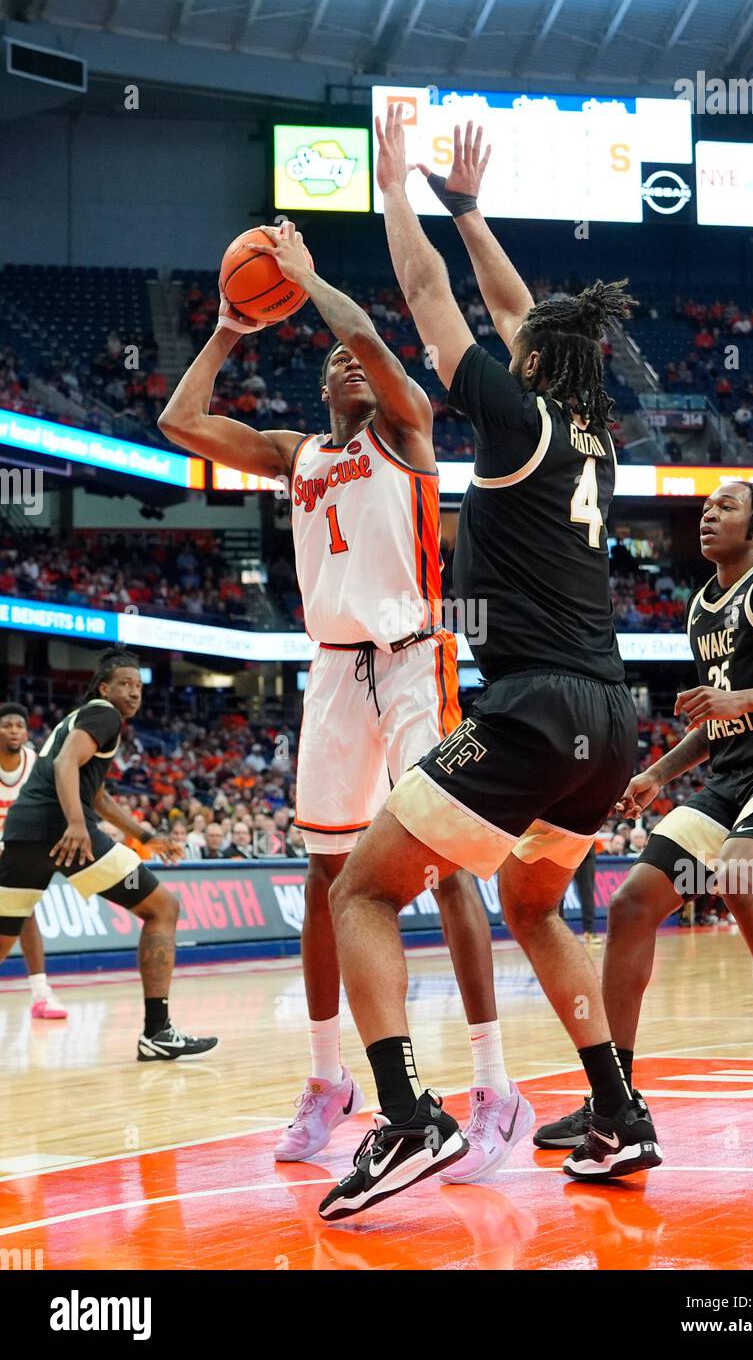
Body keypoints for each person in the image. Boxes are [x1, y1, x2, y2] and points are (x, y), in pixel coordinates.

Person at [317, 108, 648, 1223]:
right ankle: (617, 1109)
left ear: (532, 362)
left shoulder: (512, 419)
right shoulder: (586, 428)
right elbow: (517, 310)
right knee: (533, 898)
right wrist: (470, 209)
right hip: (610, 719)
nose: (506, 338)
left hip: (534, 703)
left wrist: (397, 197)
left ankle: (408, 1115)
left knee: (362, 885)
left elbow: (431, 306)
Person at [159, 221, 516, 1178]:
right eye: (335, 368)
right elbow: (180, 424)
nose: (351, 368)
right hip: (330, 670)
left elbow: (363, 338)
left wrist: (311, 283)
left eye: (357, 361)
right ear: (318, 391)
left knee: (446, 868)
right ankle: (329, 1081)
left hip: (411, 662)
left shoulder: (408, 431)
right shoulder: (296, 454)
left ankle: (493, 1086)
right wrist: (231, 331)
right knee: (326, 883)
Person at [546, 482, 753, 1170]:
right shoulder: (699, 607)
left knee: (742, 872)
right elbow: (719, 720)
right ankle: (614, 1094)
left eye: (725, 505)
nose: (709, 514)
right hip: (729, 779)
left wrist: (742, 696)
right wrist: (659, 774)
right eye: (705, 508)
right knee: (632, 905)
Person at [0, 650, 218, 1061]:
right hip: (66, 835)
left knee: (2, 936)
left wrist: (145, 835)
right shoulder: (104, 715)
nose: (133, 692)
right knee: (162, 908)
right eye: (125, 684)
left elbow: (95, 794)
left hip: (24, 835)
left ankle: (158, 1032)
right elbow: (66, 765)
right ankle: (158, 1032)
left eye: (138, 686)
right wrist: (76, 825)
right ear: (105, 687)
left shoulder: (84, 720)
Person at [0, 702, 67, 1018]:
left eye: (18, 725)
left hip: (18, 848)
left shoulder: (35, 762)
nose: (13, 731)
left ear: (27, 731)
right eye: (7, 725)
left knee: (26, 912)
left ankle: (41, 995)